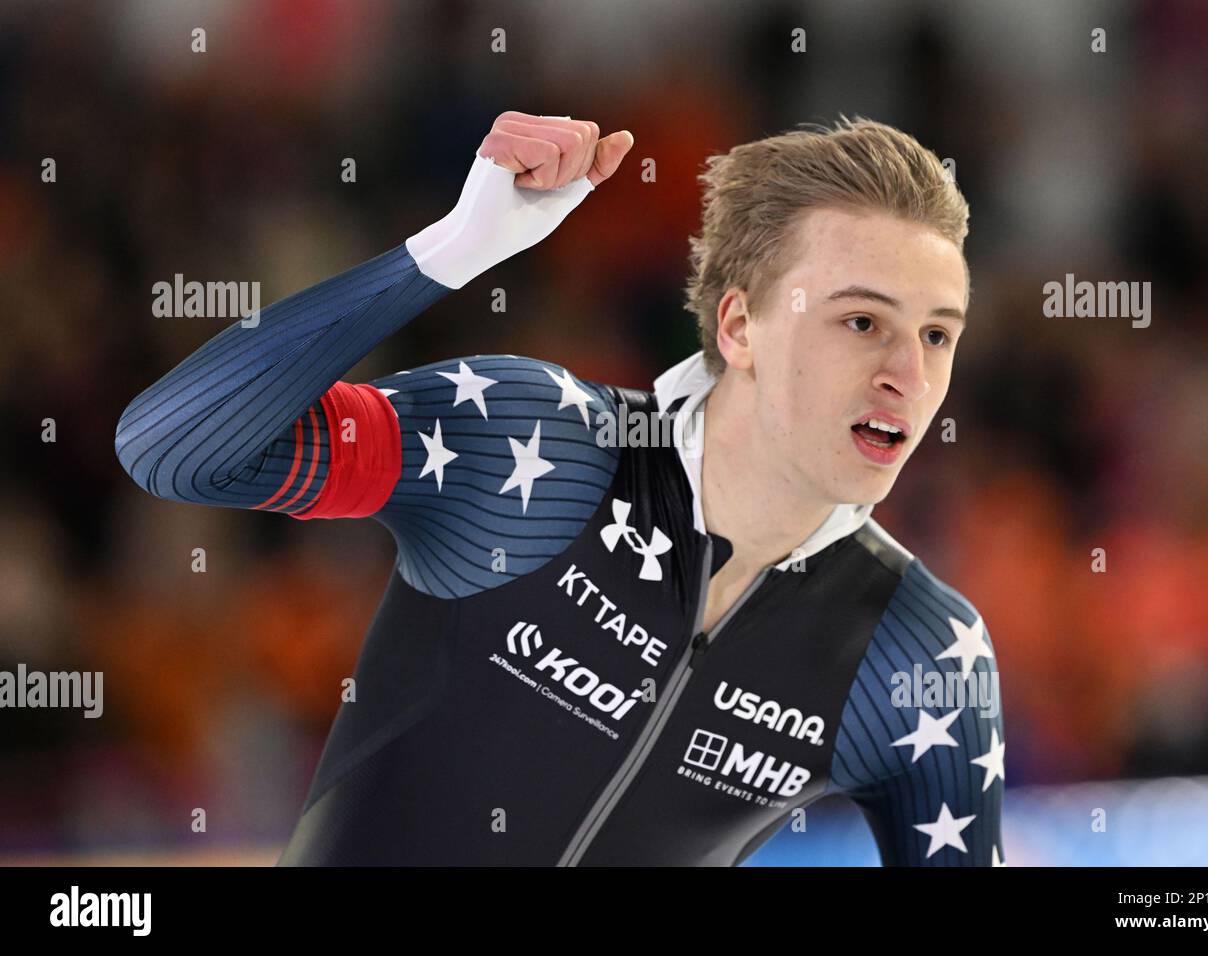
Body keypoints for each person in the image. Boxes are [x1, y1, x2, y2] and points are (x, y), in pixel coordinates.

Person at [115, 110, 1006, 866]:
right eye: (863, 321)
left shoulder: (915, 651)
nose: (907, 375)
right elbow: (174, 451)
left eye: (937, 335)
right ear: (739, 327)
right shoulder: (536, 451)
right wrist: (449, 252)